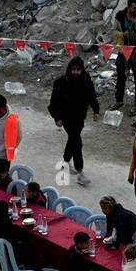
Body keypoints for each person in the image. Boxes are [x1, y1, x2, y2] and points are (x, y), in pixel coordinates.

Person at [48, 56, 100, 186]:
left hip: (80, 116)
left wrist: (96, 110)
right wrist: (57, 118)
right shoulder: (60, 82)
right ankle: (80, 172)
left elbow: (91, 95)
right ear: (69, 69)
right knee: (77, 142)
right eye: (73, 69)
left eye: (78, 69)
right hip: (66, 117)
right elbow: (54, 101)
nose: (76, 72)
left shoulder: (86, 79)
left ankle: (65, 162)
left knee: (73, 139)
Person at [111, 0, 136, 110]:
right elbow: (113, 31)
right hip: (123, 50)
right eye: (134, 8)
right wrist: (122, 35)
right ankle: (119, 100)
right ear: (129, 8)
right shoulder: (120, 16)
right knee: (120, 76)